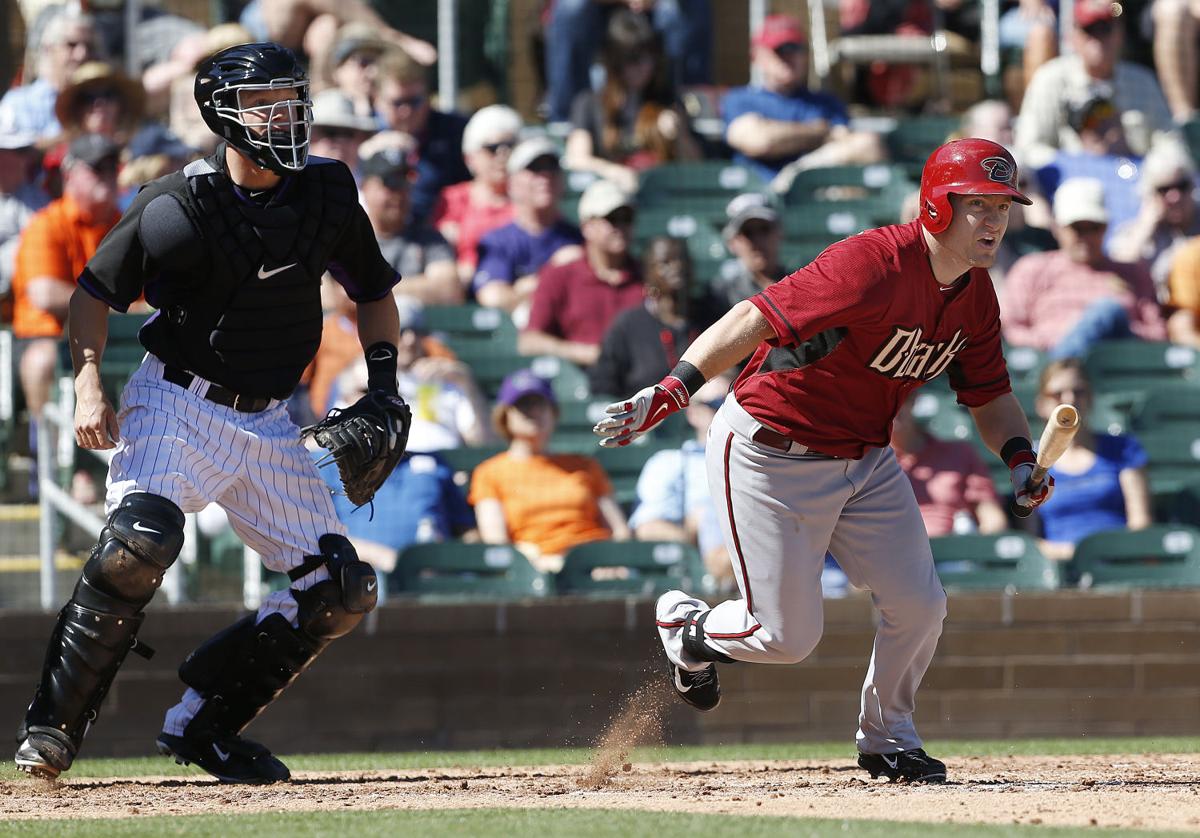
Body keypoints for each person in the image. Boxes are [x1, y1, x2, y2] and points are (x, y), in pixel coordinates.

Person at [594, 138, 1055, 784]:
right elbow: (753, 317)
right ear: (936, 206)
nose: (995, 222)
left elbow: (989, 393)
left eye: (1002, 207)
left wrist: (1019, 458)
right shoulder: (871, 262)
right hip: (769, 450)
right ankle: (690, 628)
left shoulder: (976, 295)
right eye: (978, 205)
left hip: (866, 458)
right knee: (785, 639)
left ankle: (888, 738)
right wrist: (677, 387)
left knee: (920, 605)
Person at [14, 43, 404, 786]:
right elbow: (93, 295)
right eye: (263, 103)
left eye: (290, 99)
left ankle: (204, 726)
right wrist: (88, 380)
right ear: (223, 116)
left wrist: (384, 386)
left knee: (340, 590)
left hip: (270, 421)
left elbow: (374, 291)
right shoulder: (176, 205)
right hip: (178, 403)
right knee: (140, 541)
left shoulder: (327, 191)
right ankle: (51, 729)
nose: (283, 115)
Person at [11, 134, 121, 439]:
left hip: (115, 337)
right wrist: (116, 306)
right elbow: (44, 294)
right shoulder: (47, 223)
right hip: (48, 338)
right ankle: (42, 453)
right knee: (43, 360)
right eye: (97, 168)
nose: (108, 175)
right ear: (69, 174)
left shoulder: (123, 224)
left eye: (112, 167)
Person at [471, 369, 629, 574]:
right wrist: (531, 562)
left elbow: (619, 530)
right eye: (523, 405)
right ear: (505, 415)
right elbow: (496, 542)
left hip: (594, 564)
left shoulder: (585, 465)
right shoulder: (490, 472)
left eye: (540, 404)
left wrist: (614, 562)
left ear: (553, 412)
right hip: (535, 569)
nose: (533, 411)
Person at [1001, 178, 1167, 358]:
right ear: (1057, 228)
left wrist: (1106, 331)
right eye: (1077, 228)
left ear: (1106, 228)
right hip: (1046, 360)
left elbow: (1157, 333)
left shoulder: (1133, 273)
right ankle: (1066, 363)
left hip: (1121, 361)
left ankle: (1065, 364)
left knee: (1108, 311)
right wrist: (1059, 338)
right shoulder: (1032, 269)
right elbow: (1011, 328)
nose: (1086, 238)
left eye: (1094, 228)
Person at [722, 14, 883, 187]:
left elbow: (858, 145)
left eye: (794, 48)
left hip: (816, 192)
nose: (788, 57)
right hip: (760, 193)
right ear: (757, 56)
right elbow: (759, 141)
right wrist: (819, 131)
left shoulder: (826, 103)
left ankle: (796, 177)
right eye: (779, 50)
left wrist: (793, 162)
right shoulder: (740, 99)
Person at [1015, 0, 1174, 166]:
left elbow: (1172, 144)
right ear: (1072, 36)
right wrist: (1079, 161)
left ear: (1120, 33)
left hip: (1136, 177)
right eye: (1089, 29)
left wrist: (1130, 160)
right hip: (1071, 178)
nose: (1098, 39)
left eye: (1106, 28)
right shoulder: (1050, 78)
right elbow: (1028, 149)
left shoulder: (1143, 82)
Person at [563, 9, 702, 195]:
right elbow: (575, 160)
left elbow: (697, 166)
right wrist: (614, 172)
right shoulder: (589, 103)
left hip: (660, 197)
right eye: (635, 59)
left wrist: (679, 135)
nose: (645, 66)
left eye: (650, 57)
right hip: (612, 197)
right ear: (616, 61)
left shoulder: (667, 102)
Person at [1031, 358, 1152, 561]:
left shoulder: (1123, 449)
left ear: (1091, 398)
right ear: (1041, 405)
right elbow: (1030, 541)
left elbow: (1140, 523)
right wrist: (1078, 554)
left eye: (1078, 391)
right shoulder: (1030, 462)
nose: (1069, 400)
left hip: (1118, 561)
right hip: (1059, 567)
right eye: (1057, 394)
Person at [520, 179, 644, 368]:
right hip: (580, 378)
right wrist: (582, 353)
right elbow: (529, 341)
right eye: (612, 219)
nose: (620, 227)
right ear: (587, 227)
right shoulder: (559, 276)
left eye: (626, 218)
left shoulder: (647, 276)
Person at [629, 375, 733, 586]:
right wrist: (696, 532)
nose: (727, 413)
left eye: (733, 405)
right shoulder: (669, 462)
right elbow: (647, 529)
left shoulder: (765, 462)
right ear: (693, 413)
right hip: (699, 574)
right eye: (717, 404)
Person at [543, 0, 713, 124]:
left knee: (681, 9)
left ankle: (685, 108)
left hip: (651, 7)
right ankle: (566, 120)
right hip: (599, 8)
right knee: (571, 8)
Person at [472, 137, 583, 316]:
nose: (545, 177)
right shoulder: (498, 241)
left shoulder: (578, 240)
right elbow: (492, 297)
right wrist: (551, 275)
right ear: (512, 183)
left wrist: (525, 288)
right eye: (535, 169)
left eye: (552, 169)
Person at [590, 236, 705, 396]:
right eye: (665, 262)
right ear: (648, 273)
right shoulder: (629, 325)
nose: (677, 267)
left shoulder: (711, 315)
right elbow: (603, 384)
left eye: (682, 260)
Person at [891, 391, 1008, 537]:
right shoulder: (868, 462)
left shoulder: (959, 453)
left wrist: (976, 545)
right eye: (880, 401)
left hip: (954, 546)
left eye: (900, 398)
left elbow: (992, 517)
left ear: (913, 400)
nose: (892, 407)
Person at [373, 49, 469, 226]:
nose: (406, 111)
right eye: (397, 103)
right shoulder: (361, 135)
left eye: (414, 102)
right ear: (377, 100)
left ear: (428, 99)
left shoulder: (456, 132)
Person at [431, 105, 521, 286]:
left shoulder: (526, 200)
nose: (502, 154)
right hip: (463, 285)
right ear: (470, 157)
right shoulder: (452, 199)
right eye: (492, 148)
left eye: (510, 146)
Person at [359, 148, 459, 304]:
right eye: (390, 183)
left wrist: (368, 291)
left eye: (405, 182)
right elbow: (330, 295)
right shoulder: (348, 238)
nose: (399, 194)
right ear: (365, 188)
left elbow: (448, 289)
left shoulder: (429, 239)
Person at [1109, 139, 1200, 298]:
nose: (1175, 197)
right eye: (1164, 190)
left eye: (1181, 186)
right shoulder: (1136, 233)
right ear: (1149, 194)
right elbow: (1115, 277)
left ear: (1192, 185)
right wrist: (1146, 226)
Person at [0, 10, 99, 141]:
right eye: (71, 45)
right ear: (49, 49)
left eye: (89, 47)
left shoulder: (102, 104)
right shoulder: (18, 105)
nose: (82, 55)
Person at [709, 193, 786, 311]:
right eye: (747, 232)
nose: (758, 240)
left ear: (779, 233)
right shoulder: (719, 297)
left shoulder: (800, 287)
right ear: (731, 243)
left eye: (764, 229)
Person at [0, 129, 49, 301]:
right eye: (19, 152)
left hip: (28, 294)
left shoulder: (38, 199)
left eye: (25, 152)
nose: (26, 159)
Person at [54, 61, 146, 144]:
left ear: (121, 106)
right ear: (76, 110)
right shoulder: (62, 156)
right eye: (88, 98)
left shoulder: (139, 151)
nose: (99, 103)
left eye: (108, 94)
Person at [308, 88, 378, 175]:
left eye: (348, 133)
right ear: (309, 137)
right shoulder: (295, 181)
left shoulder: (374, 179)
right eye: (330, 132)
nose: (341, 141)